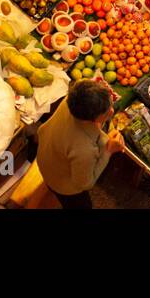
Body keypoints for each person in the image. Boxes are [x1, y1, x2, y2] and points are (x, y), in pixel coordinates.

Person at [35, 79, 124, 209]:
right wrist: (108, 150)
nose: (111, 111)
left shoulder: (72, 100)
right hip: (60, 184)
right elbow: (85, 183)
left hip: (46, 154)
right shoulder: (85, 149)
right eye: (107, 110)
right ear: (93, 118)